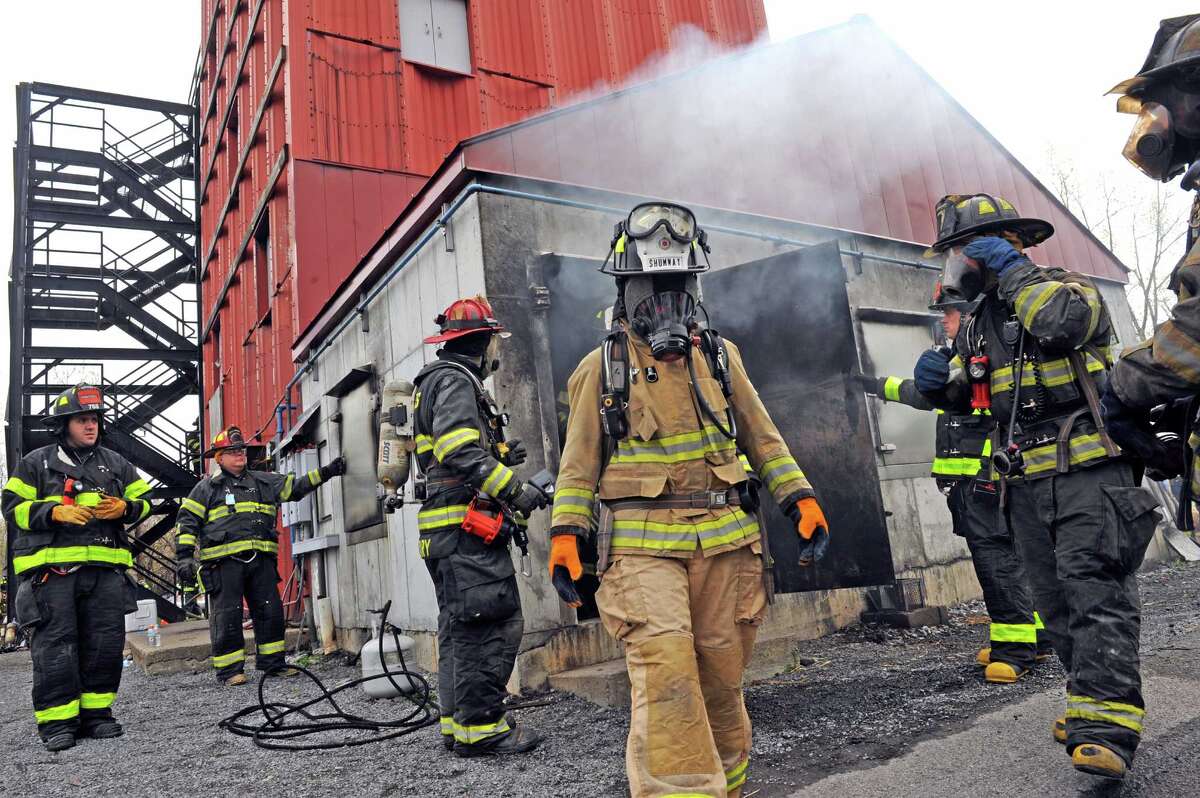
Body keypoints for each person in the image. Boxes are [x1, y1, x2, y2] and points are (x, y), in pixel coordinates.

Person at [549, 203, 828, 797]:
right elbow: (577, 466)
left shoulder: (722, 358)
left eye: (678, 286)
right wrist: (566, 535)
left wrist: (799, 499)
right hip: (643, 554)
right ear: (626, 291)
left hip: (727, 546)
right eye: (652, 288)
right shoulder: (601, 370)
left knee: (723, 680)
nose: (666, 302)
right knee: (668, 676)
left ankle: (729, 786)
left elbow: (762, 437)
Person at [914, 194, 1159, 781]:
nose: (957, 264)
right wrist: (939, 384)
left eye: (965, 250)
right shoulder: (978, 325)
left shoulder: (1066, 290)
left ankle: (1107, 731)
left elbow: (1062, 325)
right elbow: (975, 398)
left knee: (1094, 590)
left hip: (1089, 471)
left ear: (1005, 244)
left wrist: (1012, 270)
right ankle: (1090, 705)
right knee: (1054, 604)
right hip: (1024, 481)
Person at [858, 286, 1049, 683]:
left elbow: (955, 402)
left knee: (997, 565)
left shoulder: (983, 362)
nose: (943, 319)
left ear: (972, 315)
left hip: (986, 485)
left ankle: (1015, 651)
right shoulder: (964, 359)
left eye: (950, 312)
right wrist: (874, 385)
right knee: (1012, 560)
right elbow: (924, 396)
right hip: (976, 486)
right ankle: (1035, 636)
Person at [412, 296, 549, 757]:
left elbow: (447, 453)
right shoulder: (455, 380)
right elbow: (456, 451)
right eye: (495, 341)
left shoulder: (436, 380)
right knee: (489, 624)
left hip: (447, 533)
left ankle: (459, 726)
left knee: (460, 628)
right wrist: (515, 489)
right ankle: (483, 728)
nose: (497, 350)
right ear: (483, 341)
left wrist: (500, 455)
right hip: (464, 533)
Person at [2, 384, 152, 751]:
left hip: (104, 571)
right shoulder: (36, 463)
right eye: (82, 419)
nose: (91, 426)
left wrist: (126, 508)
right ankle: (57, 722)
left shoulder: (116, 463)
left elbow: (145, 501)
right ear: (63, 424)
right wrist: (53, 512)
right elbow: (12, 507)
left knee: (104, 643)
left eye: (95, 420)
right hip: (52, 575)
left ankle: (97, 715)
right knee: (56, 646)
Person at [173, 426, 346, 684]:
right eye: (232, 451)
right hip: (223, 565)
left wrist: (327, 472)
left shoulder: (264, 482)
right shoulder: (206, 488)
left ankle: (273, 664)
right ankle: (230, 671)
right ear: (219, 457)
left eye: (241, 449)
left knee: (270, 612)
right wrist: (185, 557)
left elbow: (296, 487)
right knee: (227, 616)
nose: (239, 454)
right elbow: (187, 522)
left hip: (261, 561)